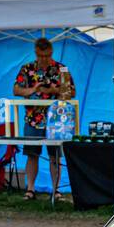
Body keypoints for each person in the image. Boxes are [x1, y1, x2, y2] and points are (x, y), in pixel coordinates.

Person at [13, 37, 74, 201]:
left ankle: (56, 190)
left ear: (51, 53)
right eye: (41, 56)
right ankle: (30, 189)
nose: (44, 59)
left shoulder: (61, 69)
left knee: (55, 156)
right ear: (36, 53)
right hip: (33, 119)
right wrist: (34, 88)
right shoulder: (27, 69)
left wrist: (56, 90)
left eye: (47, 55)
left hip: (56, 120)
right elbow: (16, 90)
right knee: (31, 154)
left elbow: (70, 93)